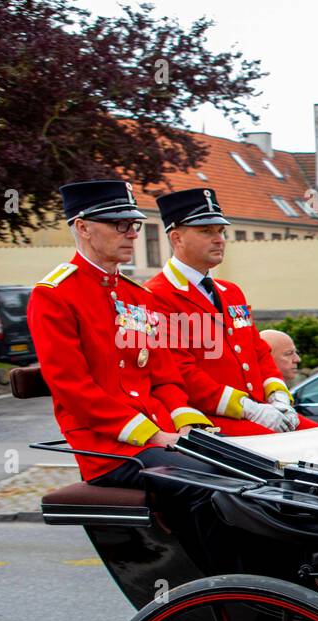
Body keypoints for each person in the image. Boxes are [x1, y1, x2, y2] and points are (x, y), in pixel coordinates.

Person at [26, 180, 215, 484]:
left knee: (244, 468)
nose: (133, 233)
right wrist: (153, 435)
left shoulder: (136, 296)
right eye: (119, 224)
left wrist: (184, 422)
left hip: (160, 432)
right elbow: (73, 387)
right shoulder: (55, 295)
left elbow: (163, 373)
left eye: (133, 224)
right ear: (83, 227)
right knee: (211, 482)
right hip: (107, 447)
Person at [145, 188, 314, 434]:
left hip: (261, 412)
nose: (219, 239)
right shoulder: (156, 295)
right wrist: (248, 408)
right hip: (212, 421)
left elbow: (258, 352)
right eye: (206, 231)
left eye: (220, 231)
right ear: (177, 238)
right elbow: (182, 372)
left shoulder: (230, 291)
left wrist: (278, 395)